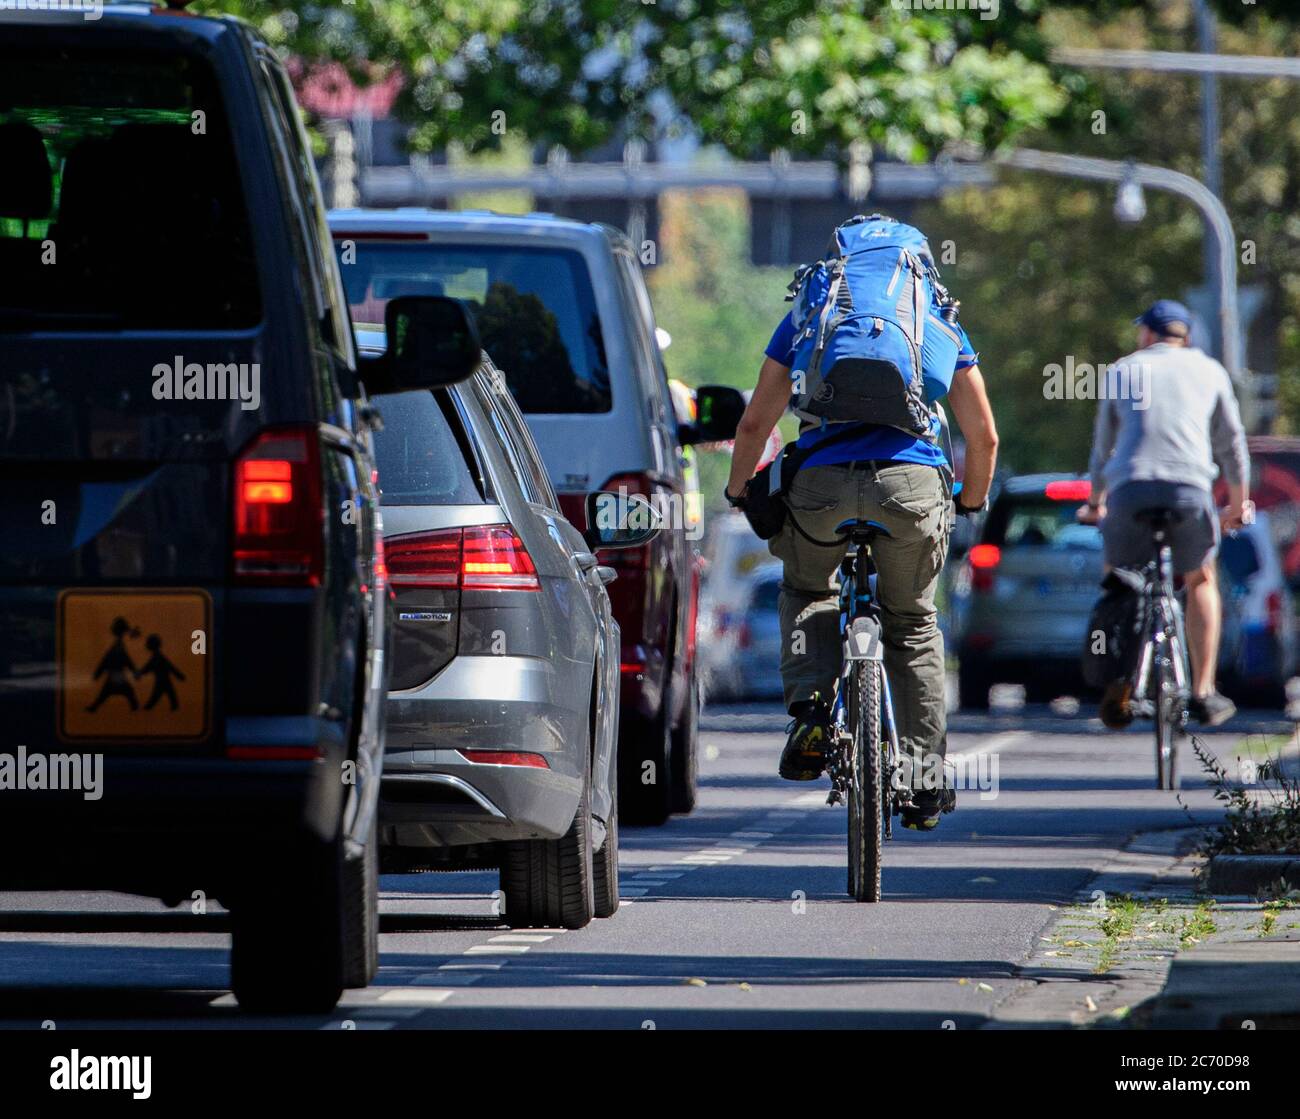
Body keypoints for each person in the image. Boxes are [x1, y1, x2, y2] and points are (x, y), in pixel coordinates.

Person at [725, 226, 999, 831]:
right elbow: (984, 436)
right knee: (913, 621)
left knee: (806, 588)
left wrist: (738, 488)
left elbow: (752, 426)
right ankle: (925, 775)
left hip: (821, 485)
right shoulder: (934, 314)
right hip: (911, 488)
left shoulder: (812, 308)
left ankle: (813, 710)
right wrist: (971, 501)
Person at [1079, 299, 1251, 728]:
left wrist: (1096, 502)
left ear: (1148, 335)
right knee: (1200, 578)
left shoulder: (1124, 369)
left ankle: (1119, 683)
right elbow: (1232, 445)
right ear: (1186, 337)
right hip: (1190, 491)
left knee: (1118, 577)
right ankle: (1204, 691)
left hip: (1130, 489)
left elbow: (1103, 451)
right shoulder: (1210, 371)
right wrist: (1238, 503)